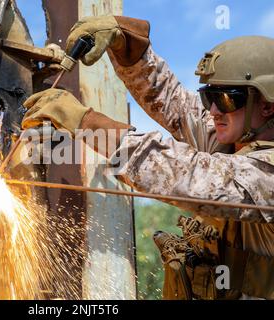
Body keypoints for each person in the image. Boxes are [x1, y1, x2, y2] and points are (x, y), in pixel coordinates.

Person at [21, 16, 274, 300]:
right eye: (209, 97)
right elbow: (173, 102)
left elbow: (188, 175)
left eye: (227, 98)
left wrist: (87, 122)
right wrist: (130, 47)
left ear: (265, 105)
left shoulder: (268, 174)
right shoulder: (230, 136)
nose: (214, 110)